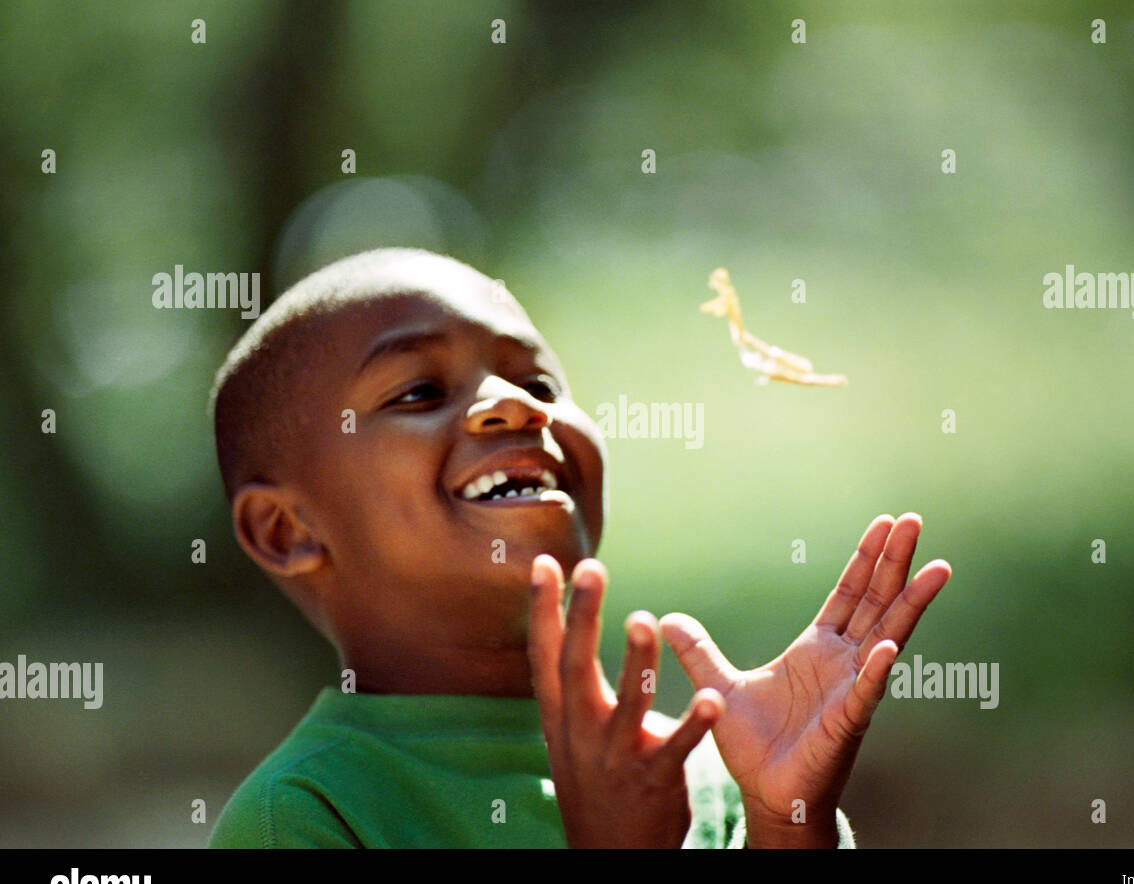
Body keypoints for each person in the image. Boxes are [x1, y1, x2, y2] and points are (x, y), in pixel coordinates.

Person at [207, 248, 951, 848]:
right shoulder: (303, 817)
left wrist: (788, 821)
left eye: (537, 380)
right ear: (288, 530)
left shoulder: (704, 775)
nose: (517, 403)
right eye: (418, 393)